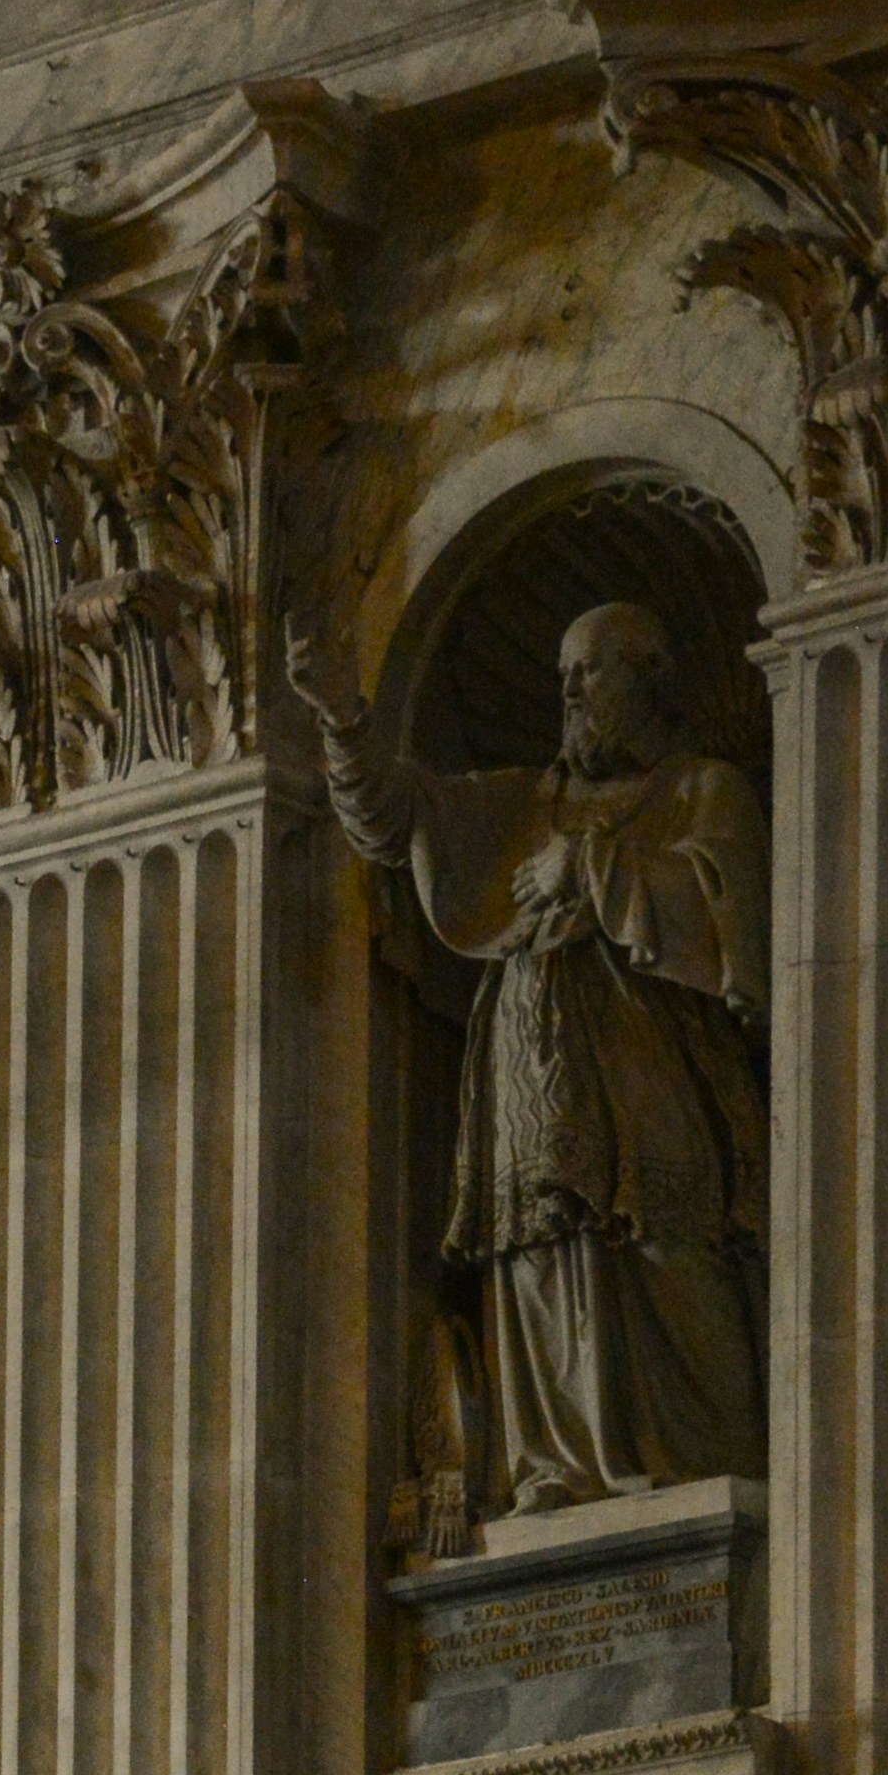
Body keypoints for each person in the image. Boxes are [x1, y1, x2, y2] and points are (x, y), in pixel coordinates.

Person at [296, 597, 767, 1516]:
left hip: (651, 1076)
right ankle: (553, 1465)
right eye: (559, 678)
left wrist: (589, 872)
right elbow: (388, 820)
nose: (568, 695)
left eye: (587, 672)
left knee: (666, 1250)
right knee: (540, 1252)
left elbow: (737, 924)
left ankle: (695, 1461)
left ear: (647, 677)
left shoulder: (701, 791)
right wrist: (343, 717)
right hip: (530, 1097)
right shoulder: (522, 802)